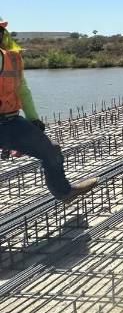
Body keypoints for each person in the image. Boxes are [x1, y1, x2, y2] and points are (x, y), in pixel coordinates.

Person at [0, 16, 98, 203]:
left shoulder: (12, 57)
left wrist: (33, 120)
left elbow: (22, 90)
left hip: (11, 120)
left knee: (51, 151)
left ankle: (64, 192)